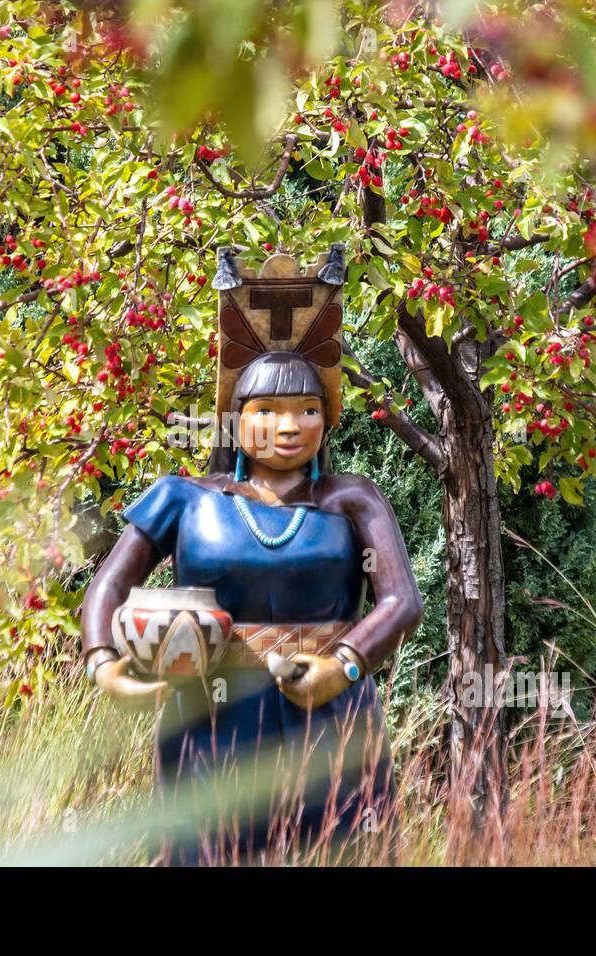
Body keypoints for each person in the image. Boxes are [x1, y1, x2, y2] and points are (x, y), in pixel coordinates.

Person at [79, 251, 423, 865]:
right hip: (211, 714)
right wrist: (105, 666)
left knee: (340, 849)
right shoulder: (183, 497)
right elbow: (108, 586)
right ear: (237, 420)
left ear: (327, 418)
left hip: (328, 714)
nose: (289, 427)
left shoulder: (354, 499)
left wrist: (340, 669)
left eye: (306, 411)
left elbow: (399, 602)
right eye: (268, 412)